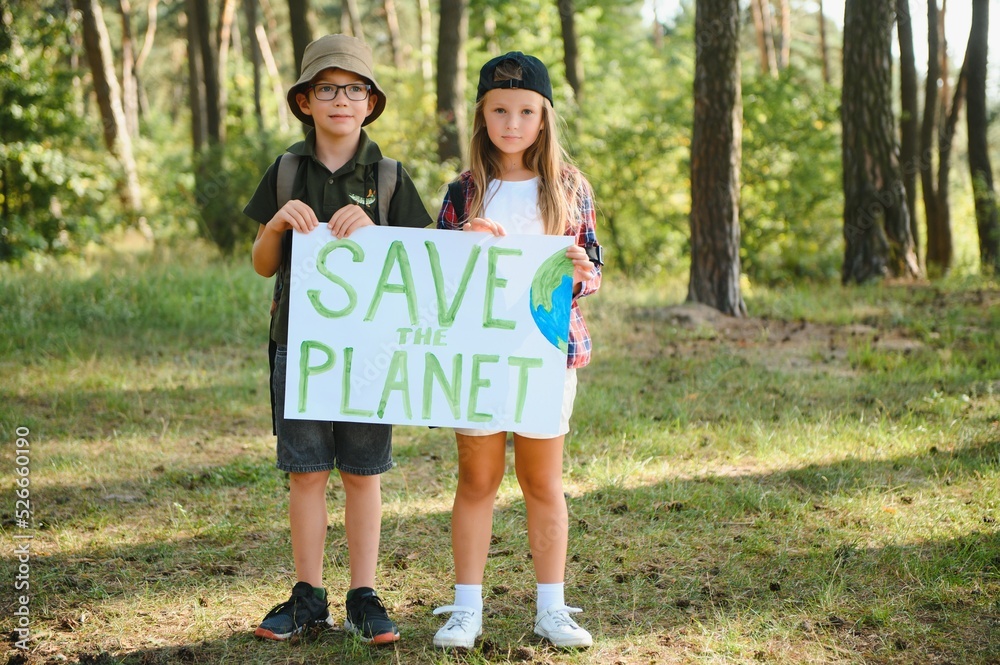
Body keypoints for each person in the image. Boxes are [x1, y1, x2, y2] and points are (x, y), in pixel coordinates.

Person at [243, 34, 432, 644]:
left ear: (371, 102)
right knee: (306, 473)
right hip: (298, 345)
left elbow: (418, 270)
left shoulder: (389, 176)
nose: (341, 100)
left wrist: (375, 232)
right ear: (305, 100)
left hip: (368, 351)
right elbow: (263, 265)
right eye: (327, 88)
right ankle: (307, 595)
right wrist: (276, 223)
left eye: (354, 89)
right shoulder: (287, 169)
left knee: (362, 472)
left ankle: (363, 595)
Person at [432, 51, 602, 650]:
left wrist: (580, 270)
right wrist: (461, 241)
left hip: (545, 355)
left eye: (525, 111)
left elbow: (592, 271)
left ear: (543, 117)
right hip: (478, 356)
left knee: (542, 480)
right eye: (500, 110)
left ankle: (551, 607)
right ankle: (465, 606)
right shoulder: (466, 190)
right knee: (477, 477)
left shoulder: (569, 188)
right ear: (482, 115)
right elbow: (435, 274)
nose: (512, 122)